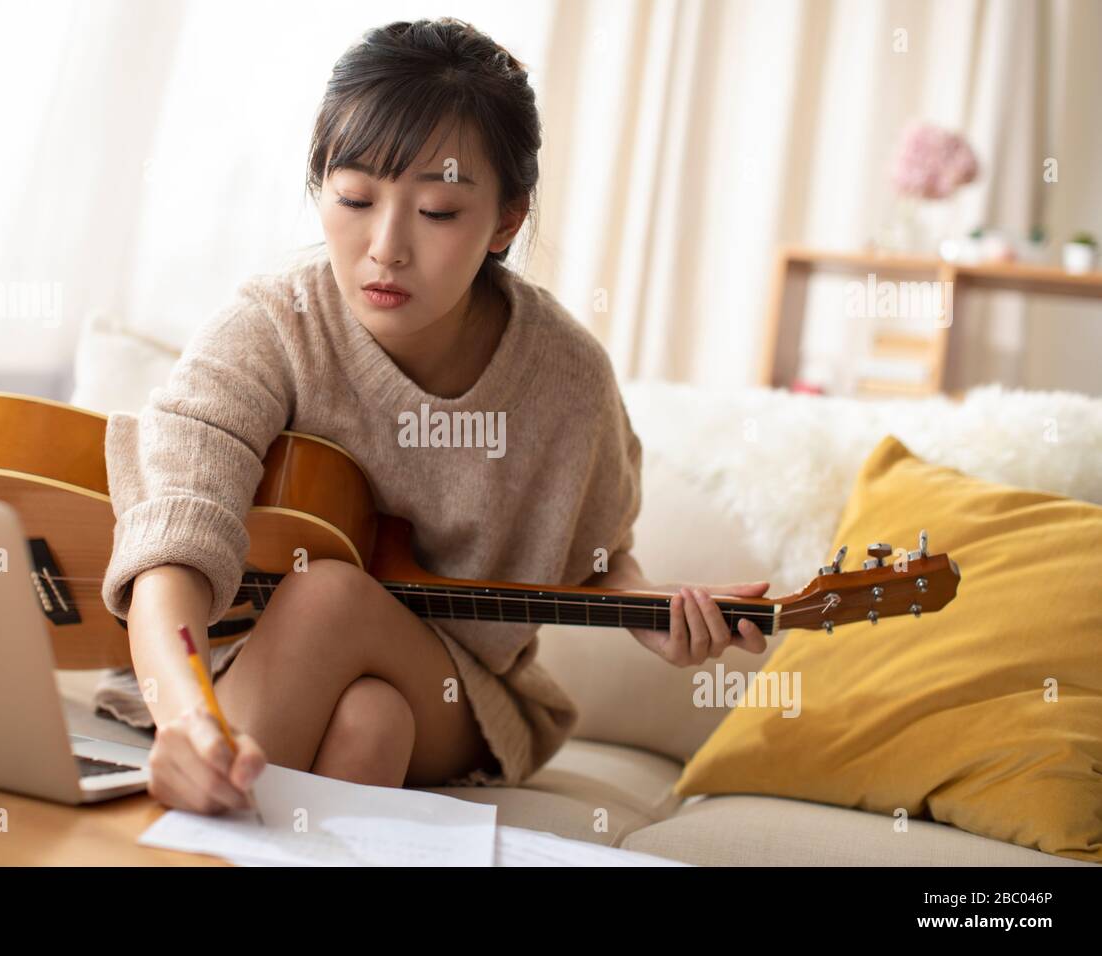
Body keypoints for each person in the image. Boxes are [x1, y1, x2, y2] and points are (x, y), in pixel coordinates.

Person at [100, 17, 769, 817]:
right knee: (369, 725)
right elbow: (172, 539)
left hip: (460, 692)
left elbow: (597, 552)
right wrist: (185, 718)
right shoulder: (273, 326)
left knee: (329, 599)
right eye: (354, 198)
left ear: (508, 221)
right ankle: (213, 774)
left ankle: (191, 828)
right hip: (238, 669)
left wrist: (647, 609)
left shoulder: (567, 378)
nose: (385, 247)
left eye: (440, 212)